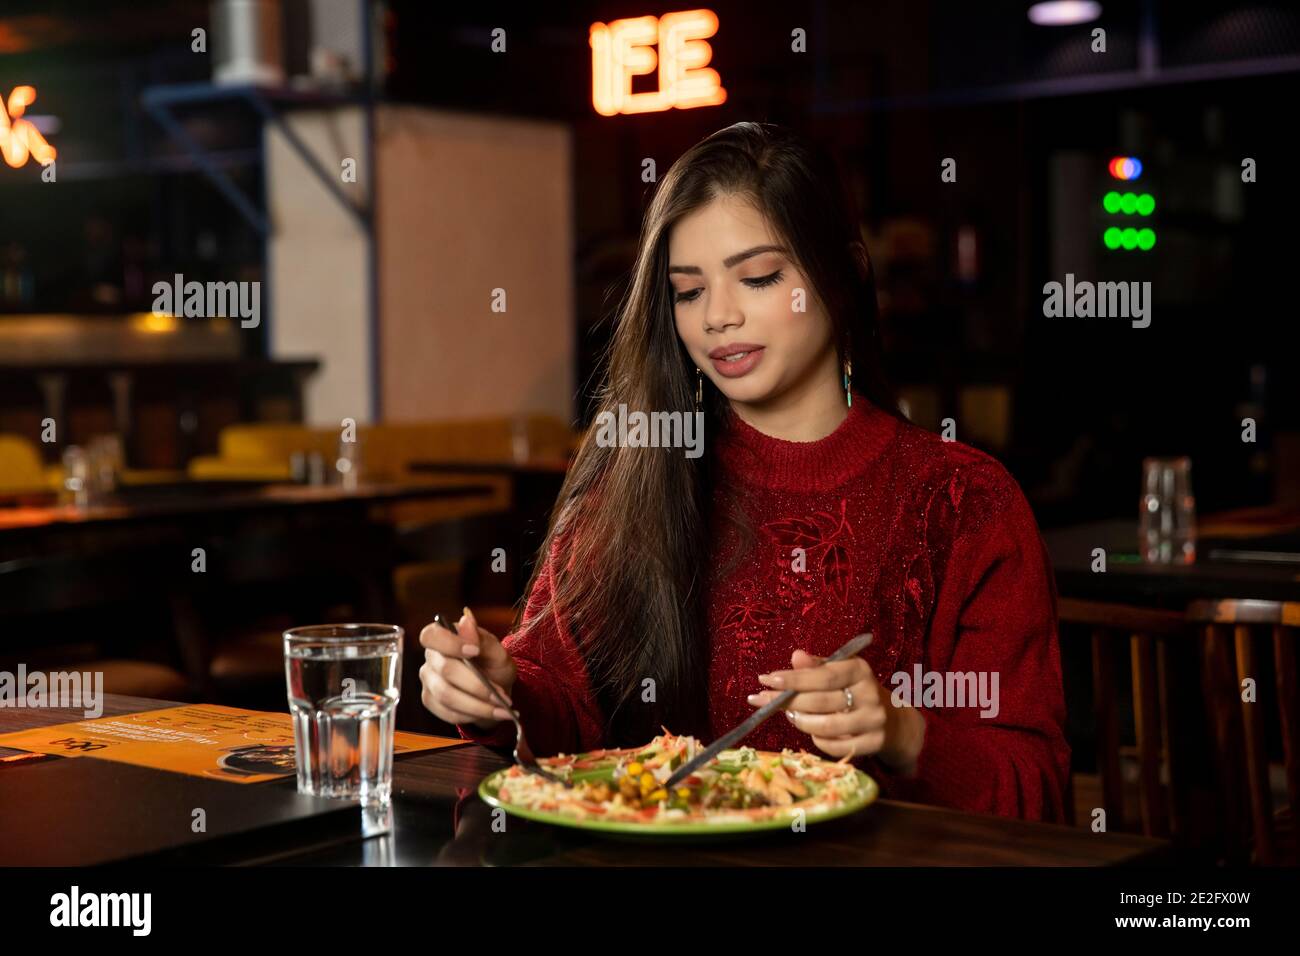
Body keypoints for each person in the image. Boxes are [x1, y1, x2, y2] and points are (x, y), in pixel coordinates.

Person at [419, 122, 1070, 821]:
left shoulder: (965, 500)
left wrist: (908, 734)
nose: (718, 318)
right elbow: (564, 705)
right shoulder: (641, 474)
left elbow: (1036, 790)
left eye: (759, 278)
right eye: (689, 292)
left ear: (846, 275)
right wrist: (496, 688)